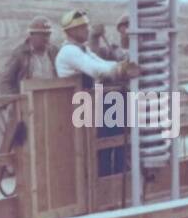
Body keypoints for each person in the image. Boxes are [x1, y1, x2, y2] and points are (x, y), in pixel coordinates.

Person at [55, 10, 140, 175]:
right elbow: (96, 70)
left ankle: (117, 175)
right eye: (81, 27)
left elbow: (103, 63)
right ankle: (106, 180)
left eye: (86, 26)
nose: (87, 30)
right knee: (103, 148)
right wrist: (121, 69)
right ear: (69, 32)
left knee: (115, 135)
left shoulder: (83, 50)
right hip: (76, 110)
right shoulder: (69, 52)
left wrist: (122, 64)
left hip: (87, 108)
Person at [0, 16, 60, 94]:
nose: (46, 38)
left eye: (48, 34)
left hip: (53, 98)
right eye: (43, 35)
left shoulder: (54, 51)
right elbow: (5, 81)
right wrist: (13, 102)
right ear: (31, 35)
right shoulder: (20, 54)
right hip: (29, 101)